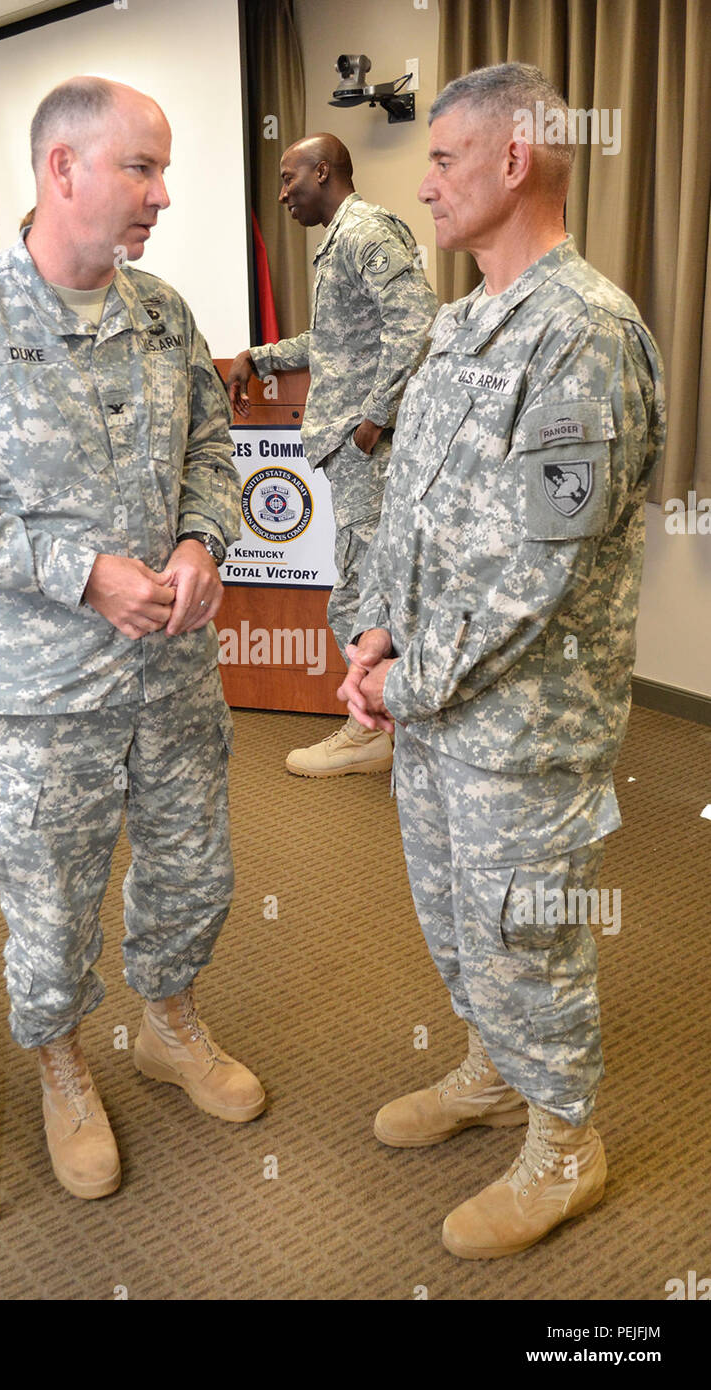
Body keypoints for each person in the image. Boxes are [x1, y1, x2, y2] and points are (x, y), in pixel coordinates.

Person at [0, 77, 266, 1202]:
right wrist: (79, 572)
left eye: (160, 169)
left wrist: (201, 541)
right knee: (49, 903)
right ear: (62, 171)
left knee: (196, 877)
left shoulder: (166, 313)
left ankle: (169, 1024)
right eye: (140, 168)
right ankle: (60, 1065)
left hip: (174, 681)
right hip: (37, 701)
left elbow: (214, 449)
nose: (161, 194)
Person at [339, 63, 665, 1258]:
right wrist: (372, 629)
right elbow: (410, 507)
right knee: (456, 918)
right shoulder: (460, 322)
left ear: (512, 162)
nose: (421, 185)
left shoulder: (581, 333)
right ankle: (489, 1069)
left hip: (522, 726)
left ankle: (565, 1144)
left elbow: (536, 576)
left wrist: (396, 682)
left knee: (525, 931)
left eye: (439, 159)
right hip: (433, 713)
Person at [227, 135, 437, 777]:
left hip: (371, 453)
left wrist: (376, 416)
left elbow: (417, 321)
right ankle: (388, 726)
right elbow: (338, 341)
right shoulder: (341, 238)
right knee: (365, 589)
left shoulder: (365, 231)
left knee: (361, 595)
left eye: (290, 177)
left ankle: (369, 728)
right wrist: (262, 357)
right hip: (353, 454)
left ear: (324, 171)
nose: (283, 192)